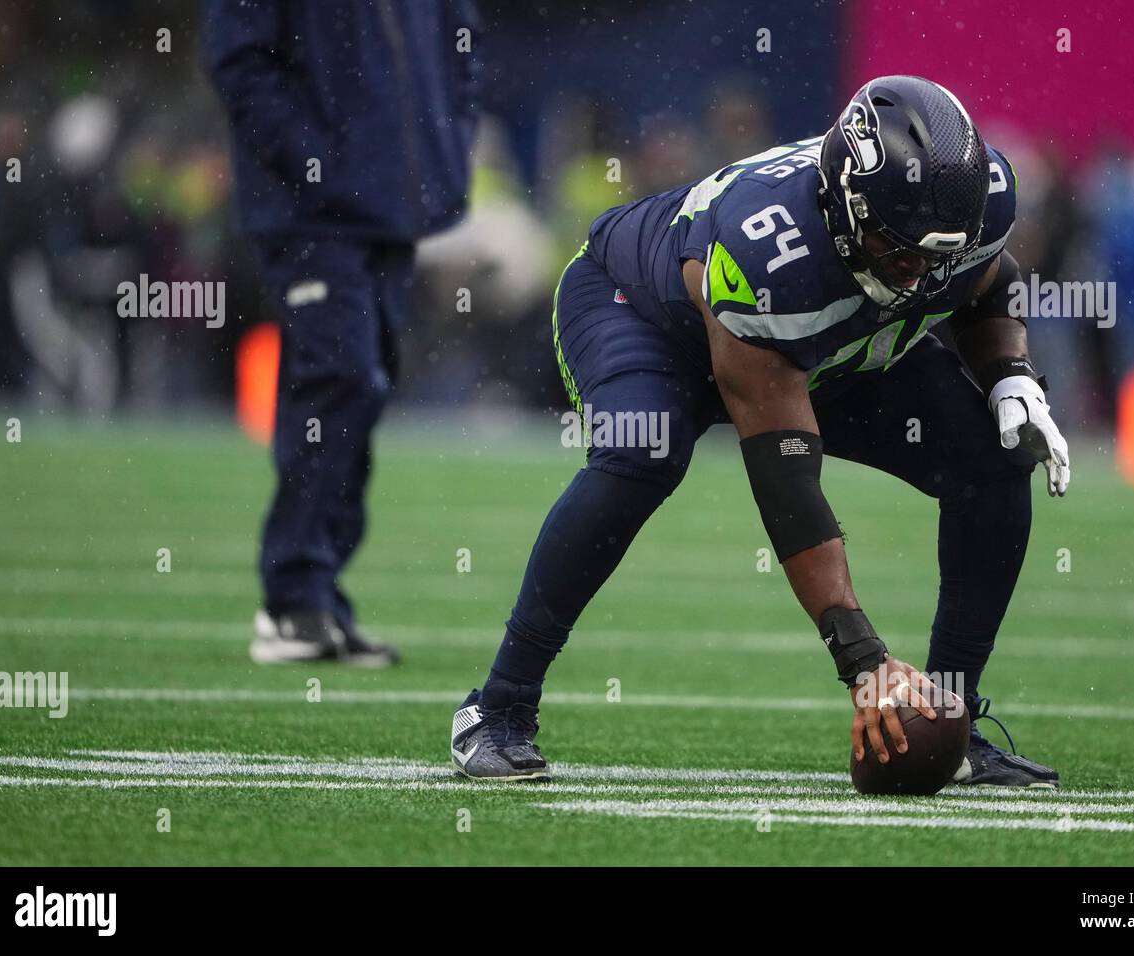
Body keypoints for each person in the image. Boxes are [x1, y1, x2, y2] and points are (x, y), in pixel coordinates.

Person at [451, 76, 1069, 787]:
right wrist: (863, 662)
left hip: (815, 340)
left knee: (993, 457)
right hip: (643, 315)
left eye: (938, 257)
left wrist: (1010, 375)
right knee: (642, 453)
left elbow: (988, 281)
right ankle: (496, 708)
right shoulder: (770, 256)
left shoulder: (966, 205)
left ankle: (956, 715)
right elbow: (787, 483)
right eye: (901, 253)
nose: (919, 276)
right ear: (846, 205)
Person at [204, 0, 478, 665]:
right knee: (342, 378)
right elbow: (238, 60)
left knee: (365, 385)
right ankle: (293, 600)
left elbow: (461, 51)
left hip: (390, 206)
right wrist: (315, 160)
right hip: (312, 212)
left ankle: (319, 597)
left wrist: (445, 148)